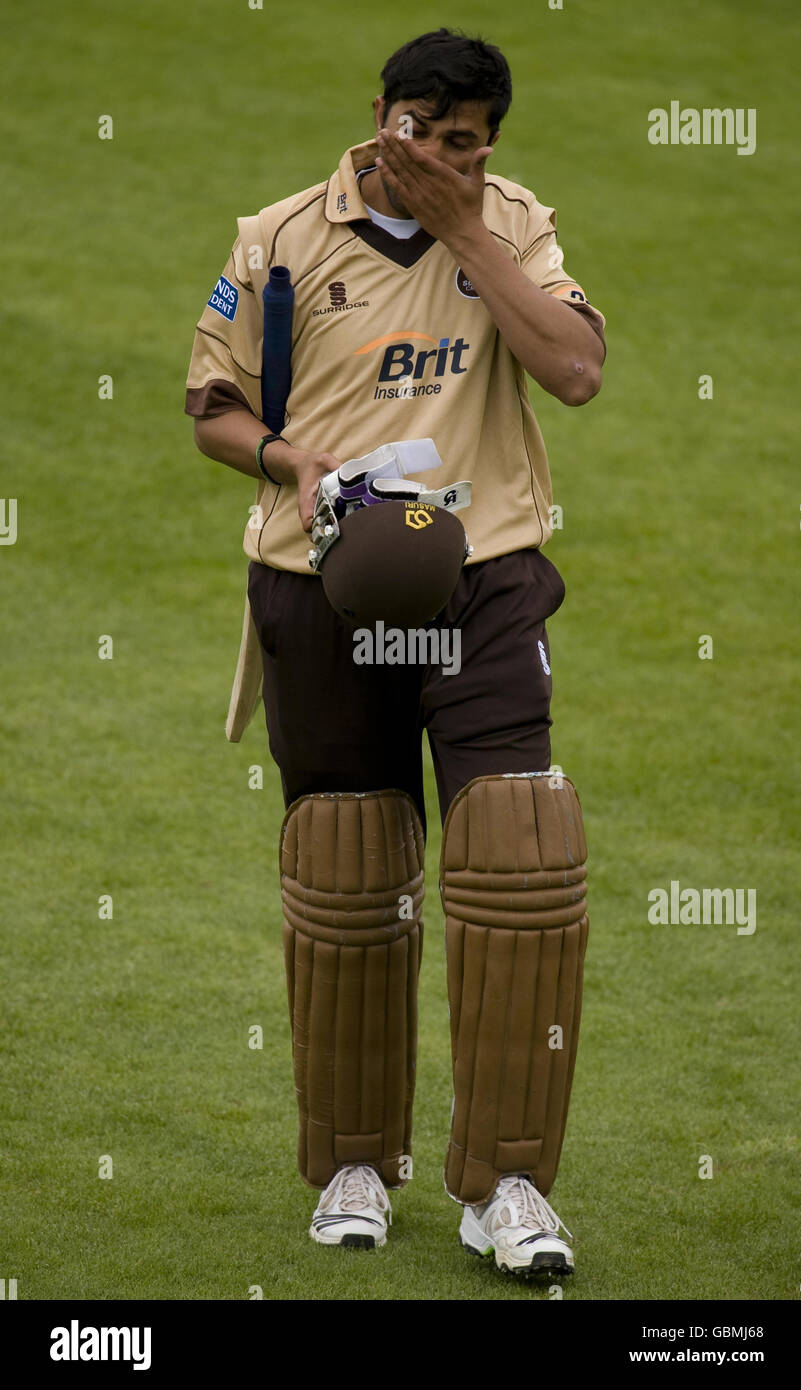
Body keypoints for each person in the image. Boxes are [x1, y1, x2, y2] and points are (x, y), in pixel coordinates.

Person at [185, 27, 605, 1278]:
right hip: (323, 583)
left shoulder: (515, 223)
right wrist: (288, 461)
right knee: (352, 871)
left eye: (467, 140)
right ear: (378, 113)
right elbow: (211, 406)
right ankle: (357, 1157)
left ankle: (508, 1188)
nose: (440, 154)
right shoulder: (279, 236)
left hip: (483, 579)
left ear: (491, 143)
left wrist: (468, 227)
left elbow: (576, 369)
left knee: (523, 857)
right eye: (421, 131)